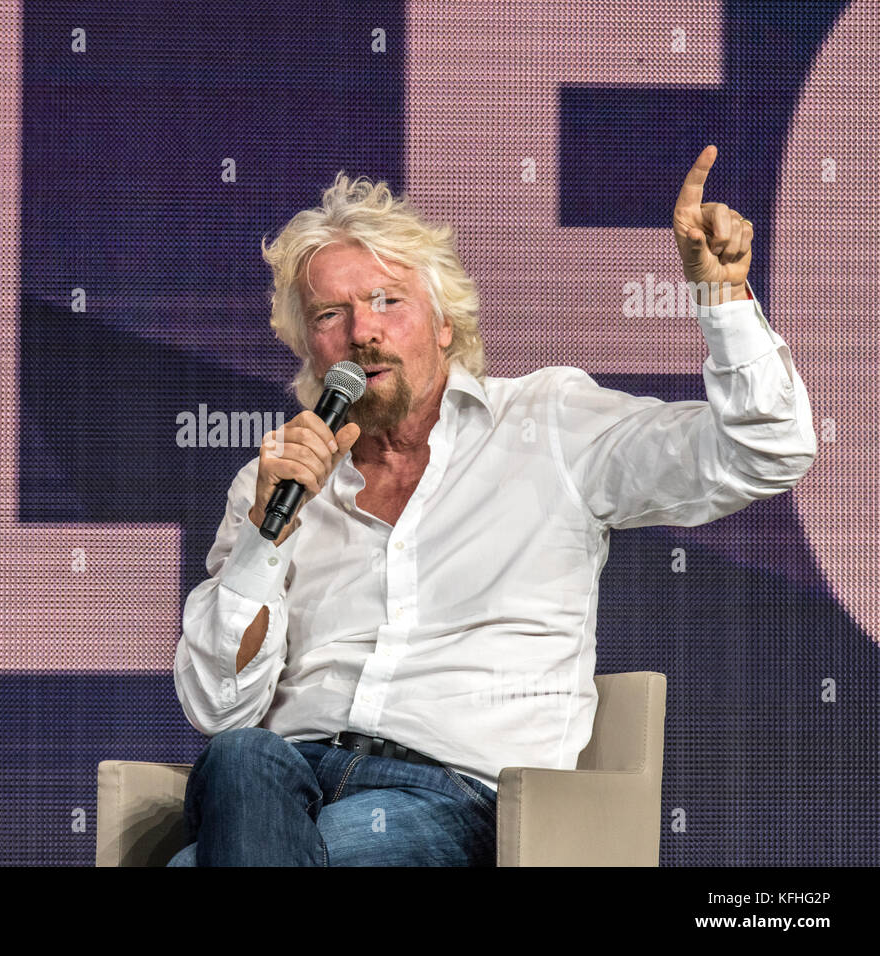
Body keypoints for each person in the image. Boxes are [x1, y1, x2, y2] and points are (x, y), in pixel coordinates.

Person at [169, 146, 817, 866]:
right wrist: (268, 534)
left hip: (450, 799)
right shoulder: (268, 487)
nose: (362, 330)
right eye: (331, 313)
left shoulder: (550, 425)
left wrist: (723, 302)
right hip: (282, 785)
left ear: (444, 324)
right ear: (310, 347)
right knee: (238, 755)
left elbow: (767, 453)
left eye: (388, 300)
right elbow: (217, 706)